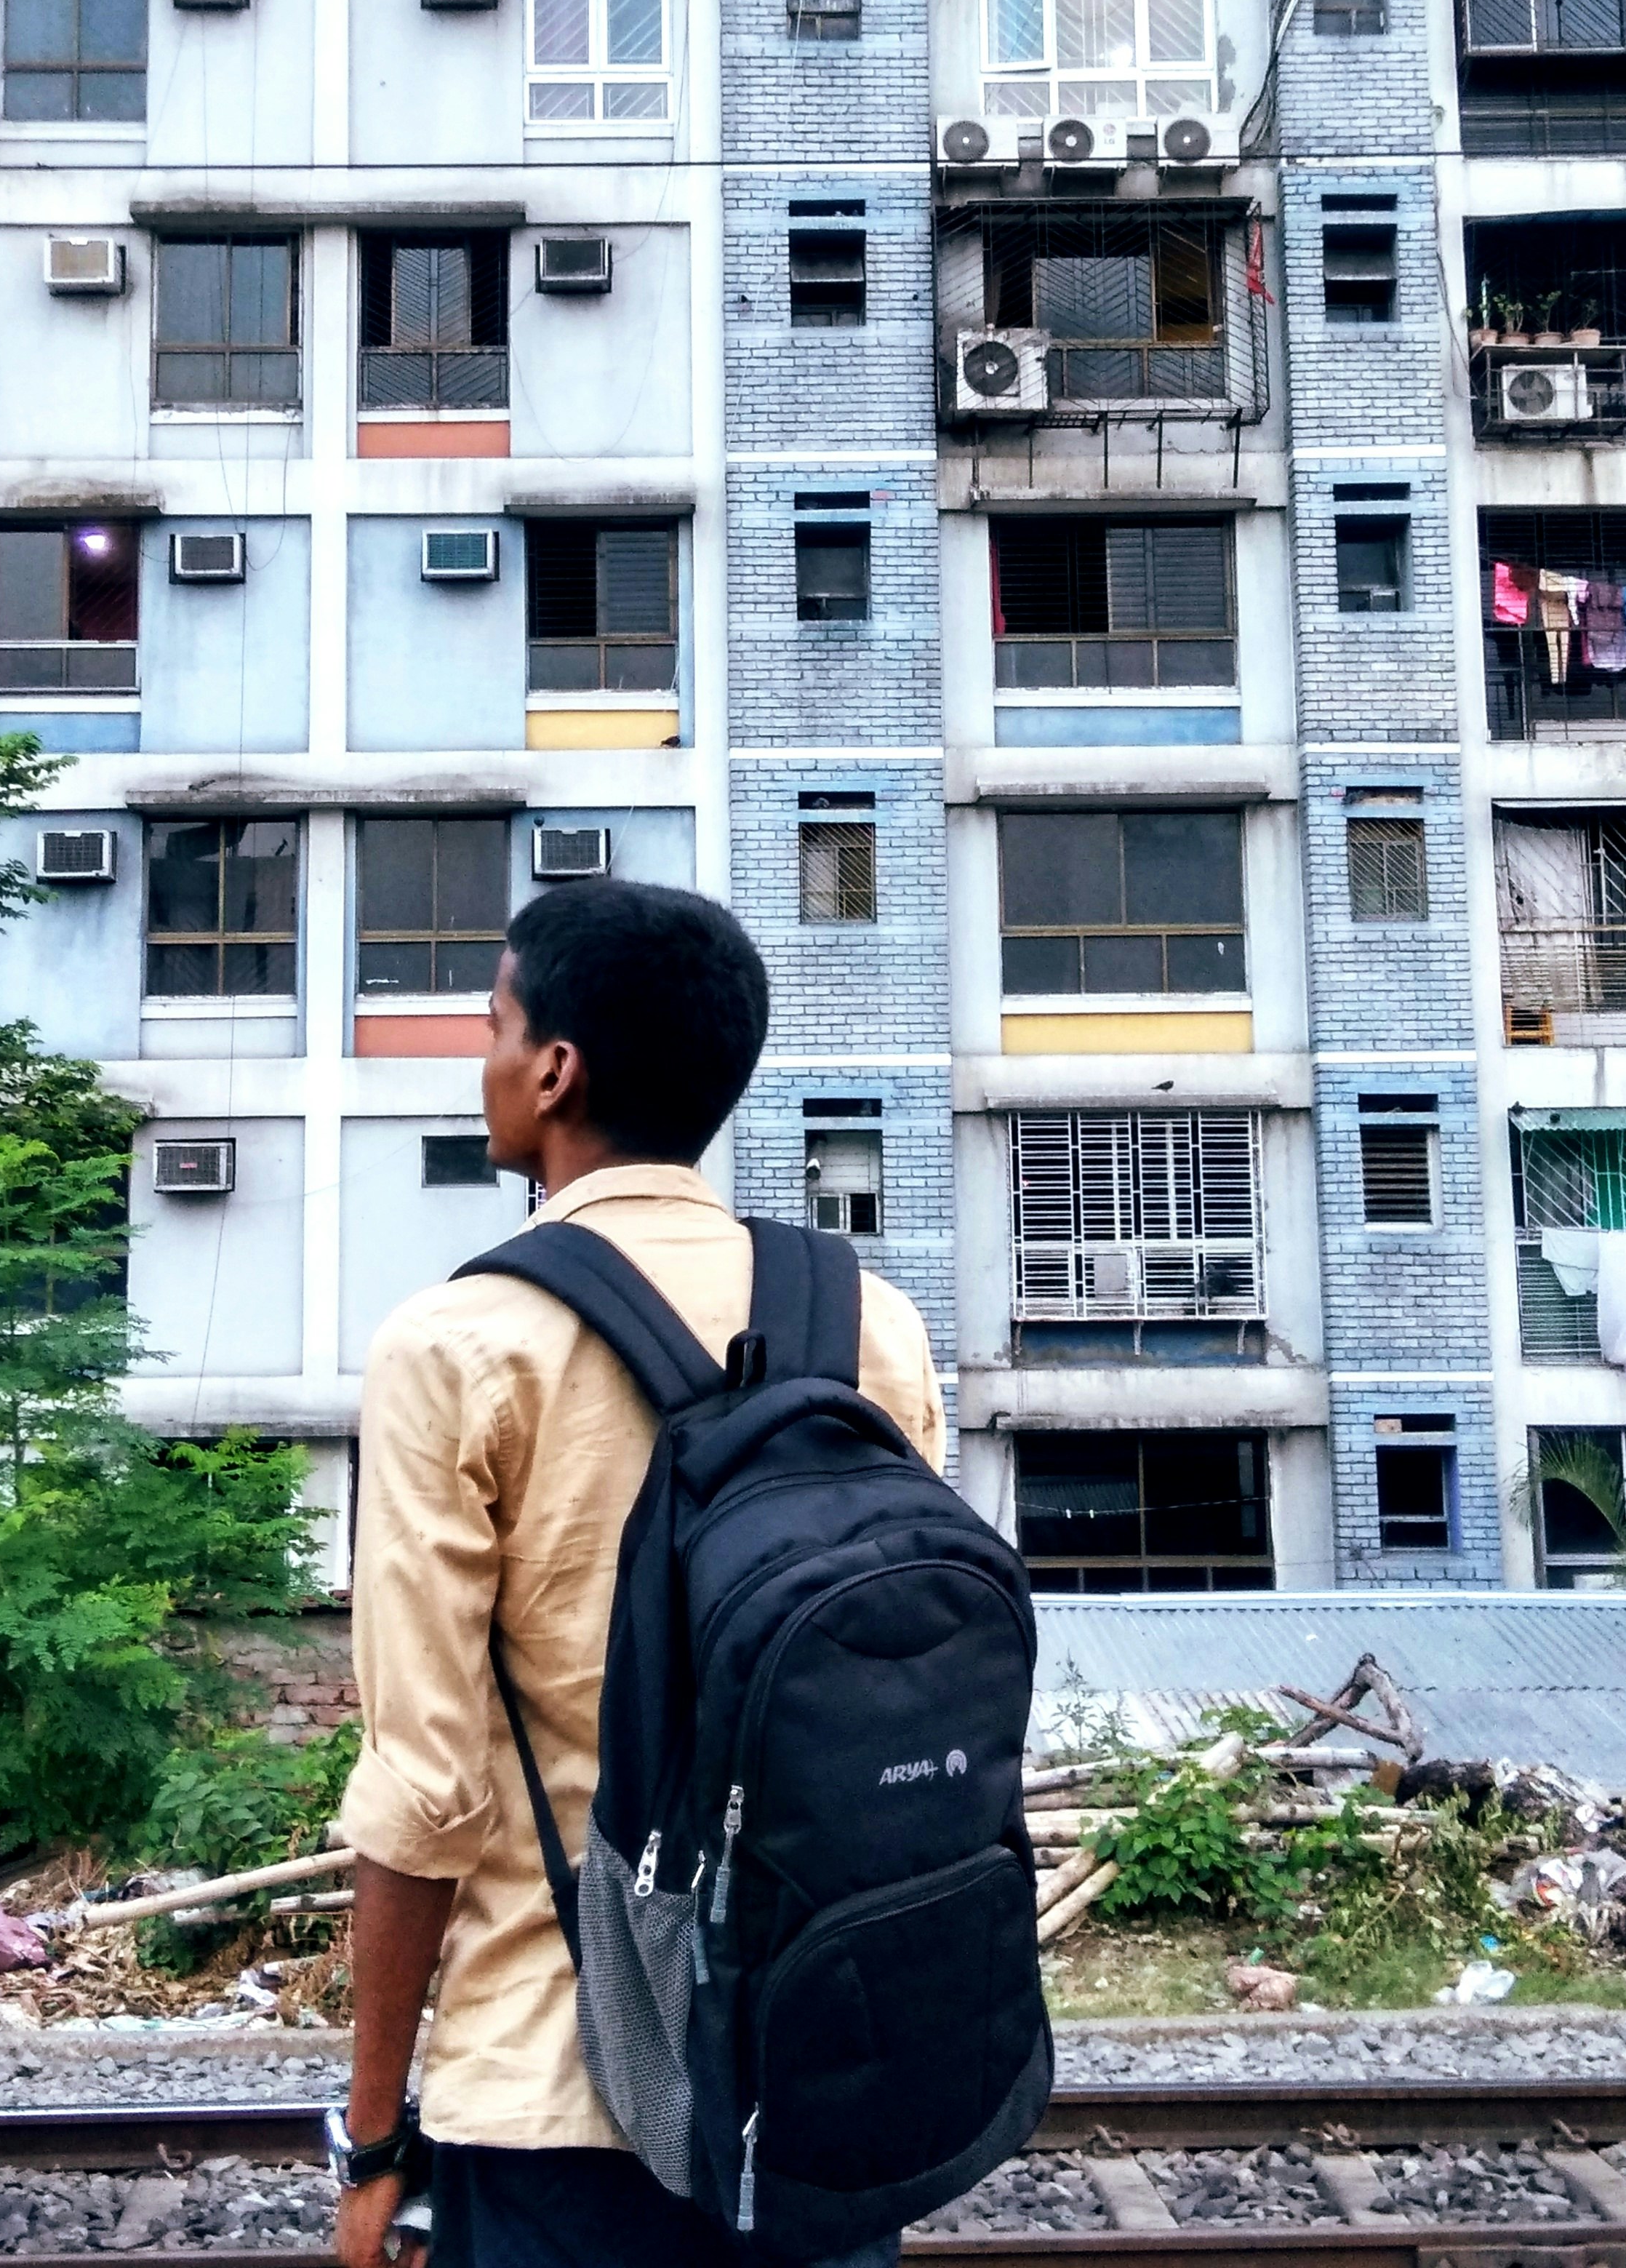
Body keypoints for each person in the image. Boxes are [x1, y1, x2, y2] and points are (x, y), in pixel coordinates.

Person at [332, 879, 948, 2268]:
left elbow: (426, 1794)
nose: (483, 1057)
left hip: (559, 2098)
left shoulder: (457, 1346)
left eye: (495, 1024)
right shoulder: (872, 1325)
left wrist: (374, 2144)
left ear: (555, 1071)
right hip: (816, 2092)